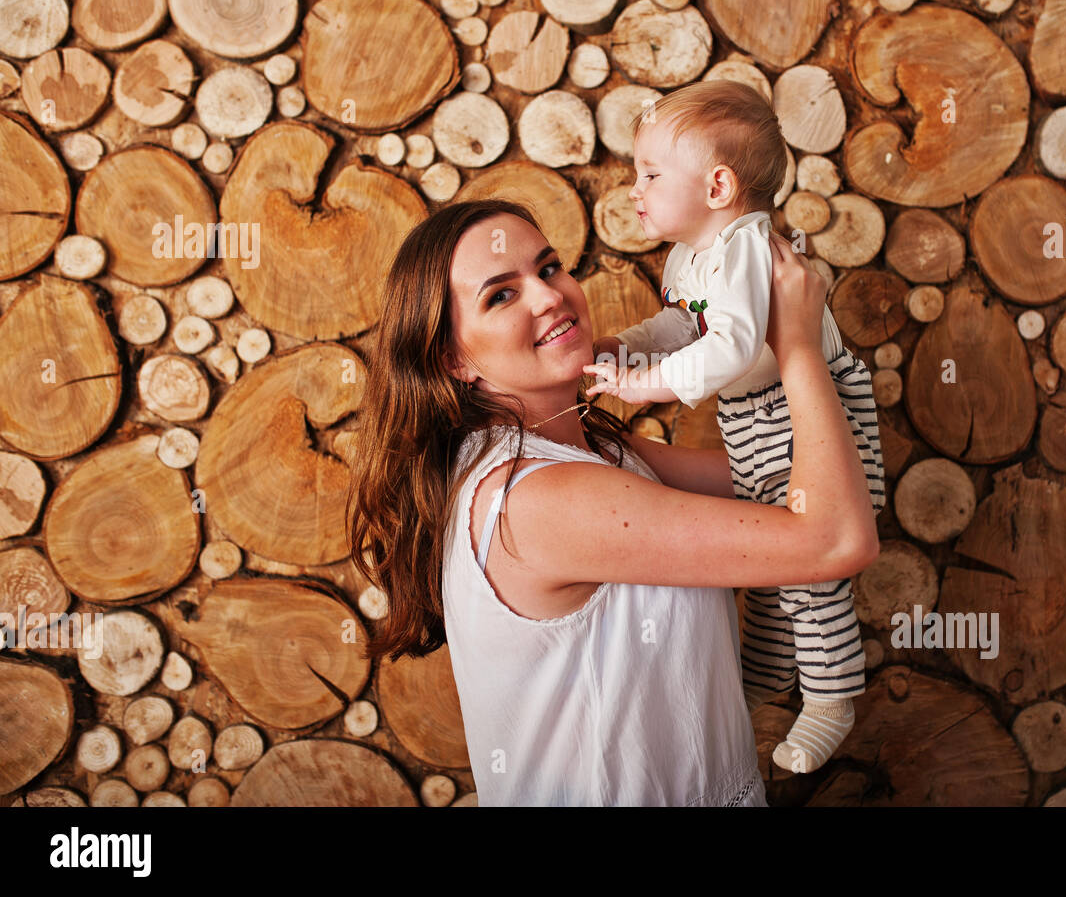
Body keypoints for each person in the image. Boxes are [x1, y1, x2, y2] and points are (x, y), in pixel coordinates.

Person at [346, 198, 879, 806]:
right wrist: (800, 346)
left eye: (548, 268)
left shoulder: (596, 451)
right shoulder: (538, 501)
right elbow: (838, 537)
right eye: (501, 295)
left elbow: (803, 483)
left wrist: (739, 308)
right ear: (453, 359)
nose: (549, 297)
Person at [589, 80, 888, 774]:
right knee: (771, 553)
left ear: (719, 184)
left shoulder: (747, 245)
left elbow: (728, 346)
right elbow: (680, 324)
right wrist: (628, 347)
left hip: (809, 409)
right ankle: (767, 673)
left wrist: (640, 386)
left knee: (809, 567)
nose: (634, 188)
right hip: (753, 416)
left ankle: (832, 696)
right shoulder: (687, 256)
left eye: (651, 174)